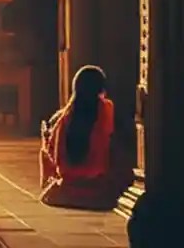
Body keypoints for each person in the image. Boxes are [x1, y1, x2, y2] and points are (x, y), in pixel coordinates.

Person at [39, 65, 132, 210]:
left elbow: (50, 152)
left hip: (66, 186)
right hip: (98, 186)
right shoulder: (107, 109)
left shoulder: (63, 116)